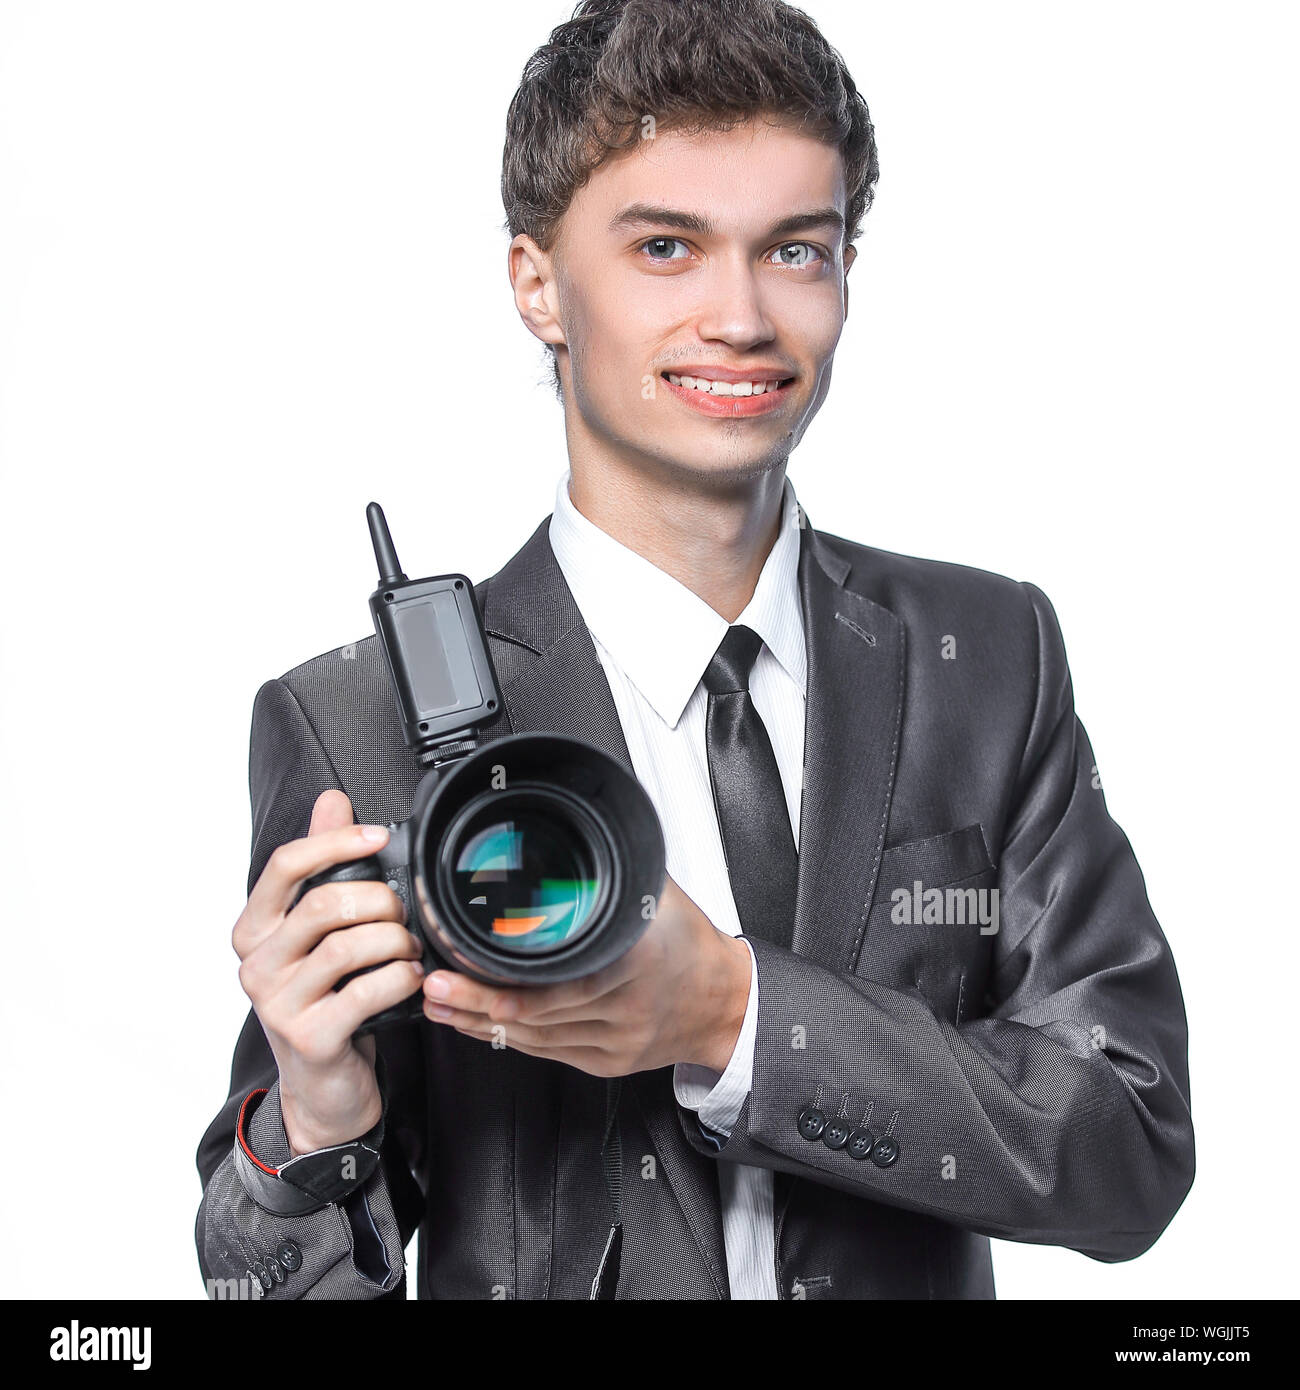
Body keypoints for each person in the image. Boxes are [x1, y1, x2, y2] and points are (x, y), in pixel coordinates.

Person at [196, 0, 1194, 1300]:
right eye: (666, 245)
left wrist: (735, 1016)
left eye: (795, 249)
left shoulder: (989, 656)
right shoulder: (358, 721)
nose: (742, 315)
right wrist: (315, 1126)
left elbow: (1129, 1145)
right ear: (537, 282)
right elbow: (251, 1272)